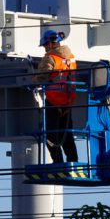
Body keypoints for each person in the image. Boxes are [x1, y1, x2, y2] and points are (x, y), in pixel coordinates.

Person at [37, 29, 79, 164]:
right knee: (66, 134)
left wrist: (34, 76)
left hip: (53, 101)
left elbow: (41, 78)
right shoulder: (71, 57)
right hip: (68, 101)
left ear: (50, 44)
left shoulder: (50, 58)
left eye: (45, 46)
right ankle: (73, 161)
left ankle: (58, 163)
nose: (44, 49)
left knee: (50, 136)